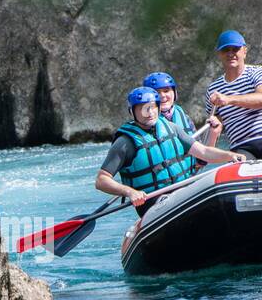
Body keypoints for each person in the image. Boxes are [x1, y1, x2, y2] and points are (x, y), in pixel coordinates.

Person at [96, 86, 246, 215]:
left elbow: (204, 152)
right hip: (152, 202)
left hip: (180, 193)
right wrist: (130, 192)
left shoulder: (171, 128)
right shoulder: (125, 143)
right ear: (132, 112)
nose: (150, 113)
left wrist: (229, 155)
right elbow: (101, 180)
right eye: (143, 108)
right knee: (172, 203)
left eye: (153, 107)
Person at [204, 30, 262, 159]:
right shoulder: (213, 90)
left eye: (235, 49)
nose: (231, 54)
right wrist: (214, 128)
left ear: (244, 51)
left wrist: (228, 99)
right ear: (219, 54)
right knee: (239, 166)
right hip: (241, 145)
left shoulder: (258, 72)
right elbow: (215, 128)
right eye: (226, 50)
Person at [142, 72, 195, 137]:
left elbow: (199, 144)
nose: (162, 95)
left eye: (166, 91)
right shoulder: (145, 124)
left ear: (174, 93)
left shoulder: (185, 118)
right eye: (156, 93)